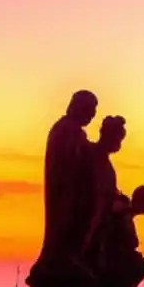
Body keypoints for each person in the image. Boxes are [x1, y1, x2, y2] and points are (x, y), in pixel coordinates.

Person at [39, 90, 99, 274]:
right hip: (67, 197)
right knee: (64, 234)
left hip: (72, 197)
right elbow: (71, 165)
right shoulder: (66, 130)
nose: (91, 116)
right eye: (89, 111)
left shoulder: (72, 131)